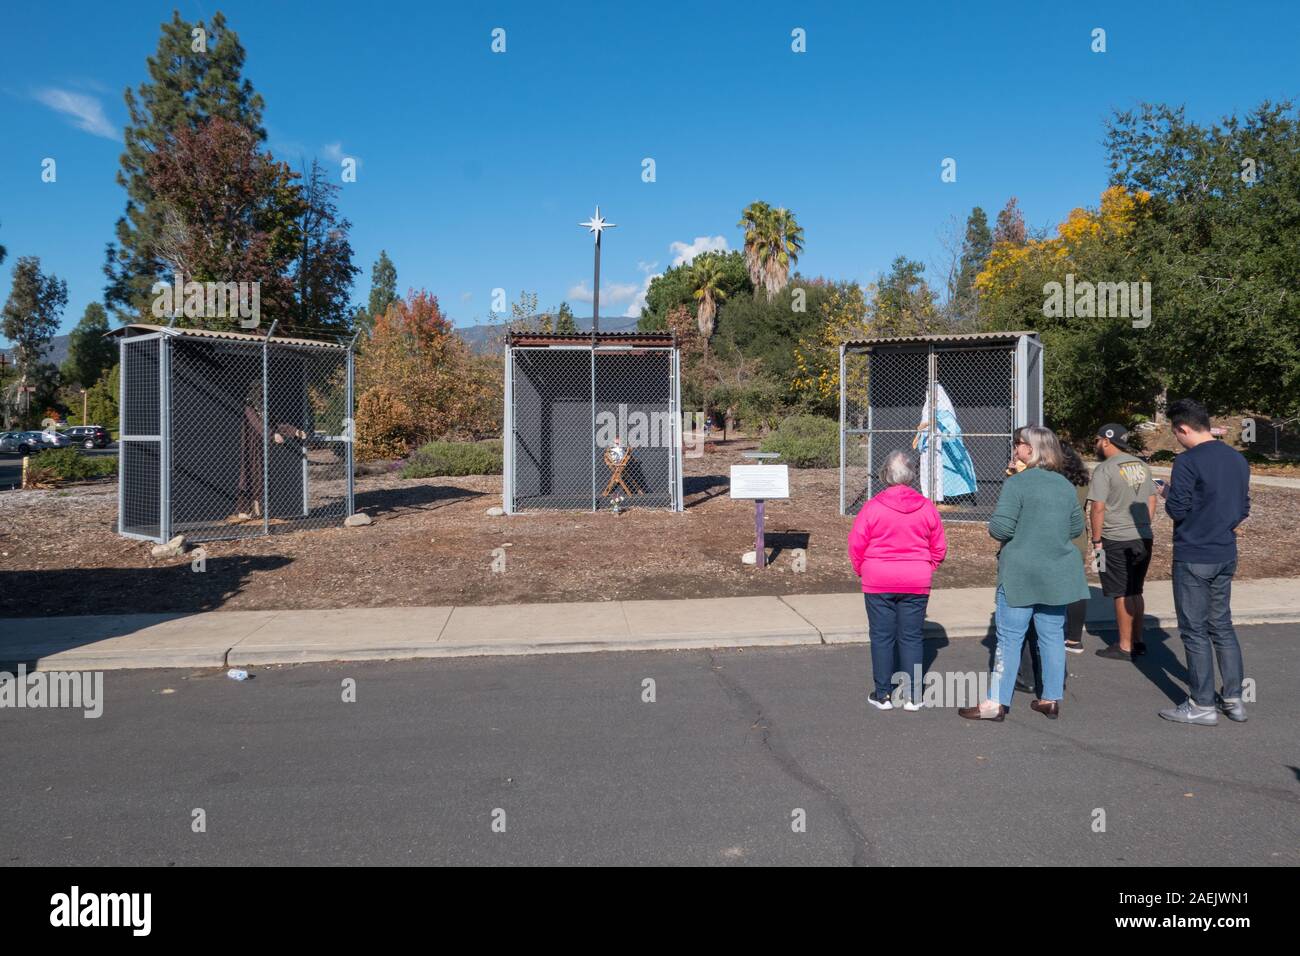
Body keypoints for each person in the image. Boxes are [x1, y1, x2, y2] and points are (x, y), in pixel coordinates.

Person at [959, 426, 1088, 721]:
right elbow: (1075, 528)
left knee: (1009, 639)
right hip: (1057, 572)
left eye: (1019, 444)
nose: (1015, 449)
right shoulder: (1065, 485)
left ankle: (996, 703)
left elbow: (1000, 528)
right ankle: (1050, 698)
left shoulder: (1017, 484)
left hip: (1020, 572)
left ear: (1031, 449)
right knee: (1052, 637)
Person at [1157, 399, 1251, 725]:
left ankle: (1201, 704)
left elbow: (1179, 509)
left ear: (1183, 428)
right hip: (1225, 551)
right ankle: (1235, 698)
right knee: (1221, 626)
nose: (1177, 439)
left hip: (1194, 553)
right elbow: (1243, 507)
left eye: (1175, 433)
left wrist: (1167, 495)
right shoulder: (1237, 459)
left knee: (1194, 631)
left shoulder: (1187, 461)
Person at [848, 450, 947, 711]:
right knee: (912, 637)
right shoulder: (926, 507)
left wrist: (864, 569)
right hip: (916, 579)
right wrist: (926, 566)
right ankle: (914, 695)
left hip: (878, 578)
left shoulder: (873, 507)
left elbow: (857, 544)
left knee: (882, 637)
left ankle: (883, 693)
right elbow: (939, 546)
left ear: (885, 475)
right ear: (911, 475)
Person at [1017, 441, 1091, 692]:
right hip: (1078, 539)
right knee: (1074, 588)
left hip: (1055, 541)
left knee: (1043, 615)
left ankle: (1033, 674)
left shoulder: (1054, 484)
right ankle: (1075, 636)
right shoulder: (1082, 481)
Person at [1088, 423, 1159, 660]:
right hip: (1143, 537)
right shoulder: (1140, 464)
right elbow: (1152, 500)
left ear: (1107, 441)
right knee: (1135, 590)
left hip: (1115, 538)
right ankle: (1138, 640)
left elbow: (1098, 507)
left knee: (1121, 592)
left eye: (1097, 440)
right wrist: (1142, 526)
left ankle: (1125, 645)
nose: (1096, 445)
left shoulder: (1105, 469)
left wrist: (1096, 540)